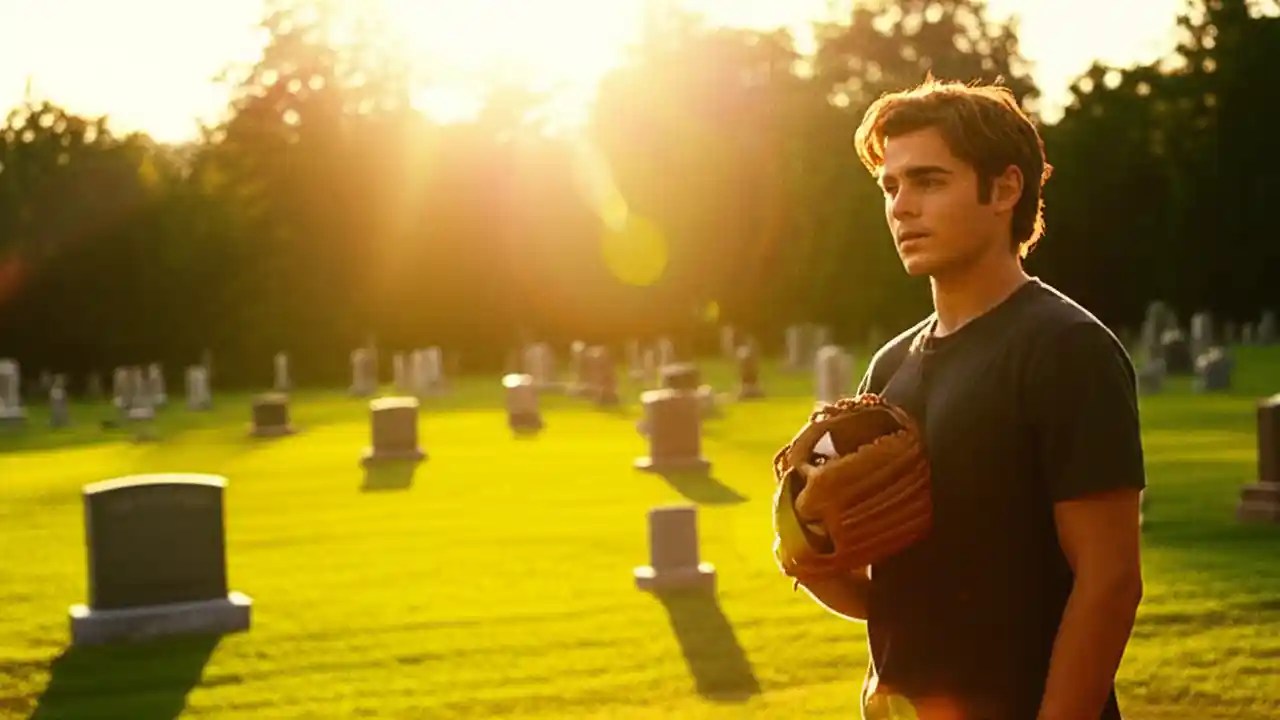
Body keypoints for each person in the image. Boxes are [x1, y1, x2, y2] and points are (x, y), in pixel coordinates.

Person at [797, 78, 1146, 720]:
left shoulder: (1066, 348)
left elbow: (1110, 579)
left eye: (928, 181)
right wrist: (810, 557)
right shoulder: (890, 366)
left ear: (1005, 189)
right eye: (891, 187)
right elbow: (894, 597)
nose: (902, 206)